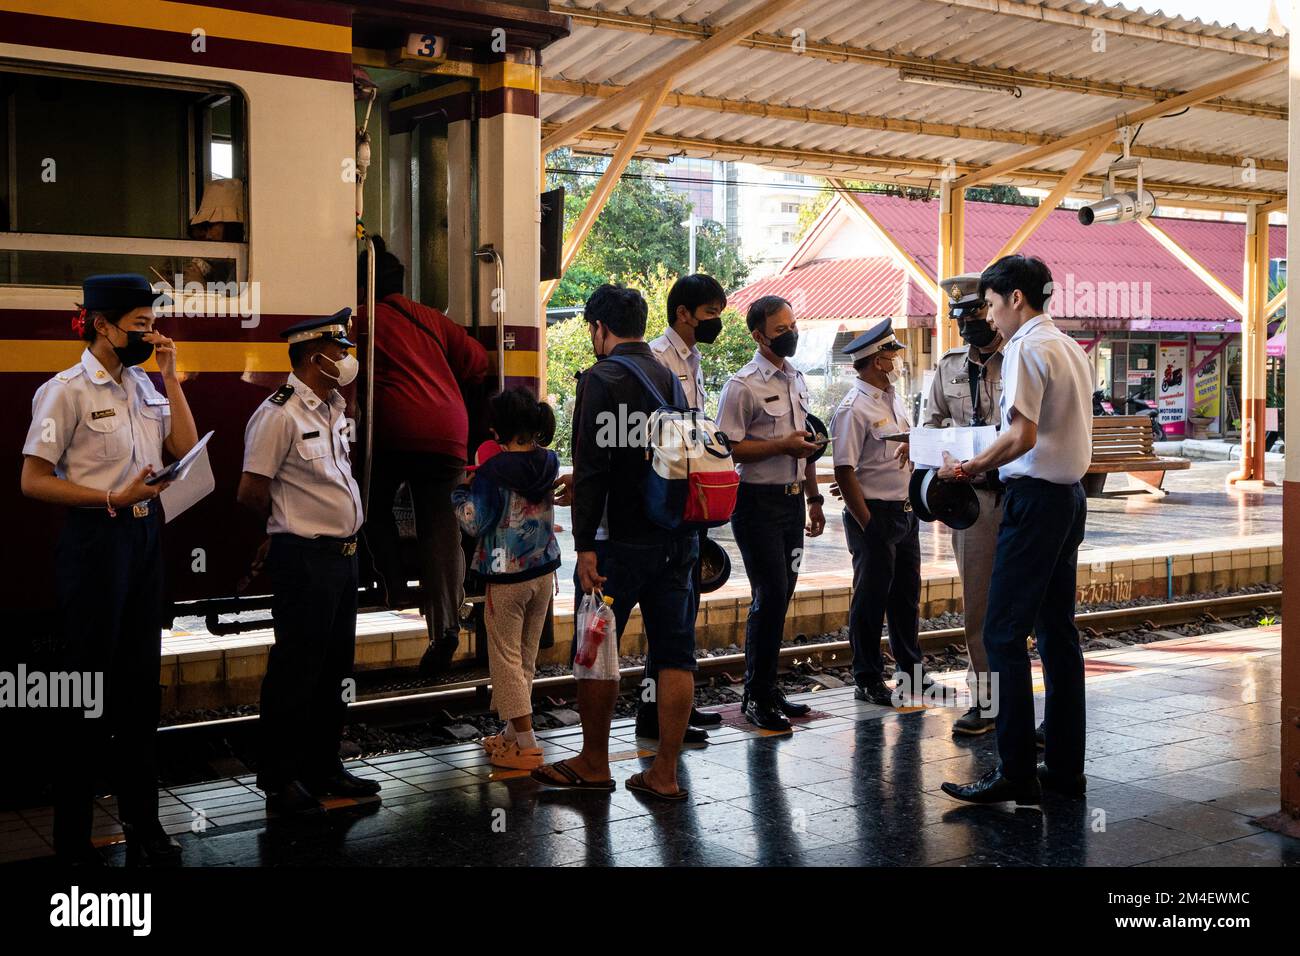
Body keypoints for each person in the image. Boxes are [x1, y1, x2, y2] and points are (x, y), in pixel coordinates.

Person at [21, 273, 198, 866]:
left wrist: (171, 379)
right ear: (101, 324)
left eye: (152, 325)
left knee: (138, 691)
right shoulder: (64, 392)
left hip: (144, 536)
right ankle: (73, 838)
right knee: (87, 695)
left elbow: (184, 445)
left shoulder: (145, 385)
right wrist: (107, 500)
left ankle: (143, 825)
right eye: (139, 326)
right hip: (96, 542)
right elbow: (33, 479)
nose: (149, 335)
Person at [938, 255, 1093, 805]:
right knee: (1056, 634)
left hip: (1032, 503)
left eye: (992, 304)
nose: (989, 316)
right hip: (1069, 500)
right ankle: (1065, 768)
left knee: (1002, 635)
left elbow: (1022, 436)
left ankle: (1016, 771)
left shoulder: (1026, 348)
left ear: (1016, 300)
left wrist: (971, 467)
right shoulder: (1070, 348)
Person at [532, 284, 697, 800]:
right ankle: (665, 773)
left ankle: (594, 762)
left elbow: (593, 466)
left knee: (596, 646)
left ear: (599, 329)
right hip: (673, 536)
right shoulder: (669, 378)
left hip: (614, 543)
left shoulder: (599, 379)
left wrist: (584, 547)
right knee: (675, 654)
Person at [238, 311, 380, 815]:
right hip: (304, 557)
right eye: (339, 351)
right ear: (311, 357)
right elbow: (252, 489)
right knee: (296, 670)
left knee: (334, 668)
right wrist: (283, 525)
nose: (346, 359)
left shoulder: (334, 409)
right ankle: (279, 780)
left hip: (342, 559)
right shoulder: (279, 415)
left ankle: (323, 765)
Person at [359, 236, 488, 678]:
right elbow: (478, 362)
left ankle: (393, 585)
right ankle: (445, 626)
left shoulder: (363, 319)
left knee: (370, 501)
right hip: (449, 432)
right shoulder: (430, 319)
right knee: (442, 530)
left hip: (395, 433)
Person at [716, 294, 825, 732]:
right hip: (756, 503)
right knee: (771, 594)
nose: (791, 334)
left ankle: (769, 686)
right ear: (758, 336)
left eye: (793, 325)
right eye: (781, 330)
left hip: (792, 499)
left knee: (784, 595)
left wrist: (814, 499)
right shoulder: (742, 385)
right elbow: (727, 448)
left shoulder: (796, 378)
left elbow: (807, 444)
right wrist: (781, 445)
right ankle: (755, 696)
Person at [830, 320, 946, 708]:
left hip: (905, 511)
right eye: (891, 353)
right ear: (877, 361)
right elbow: (844, 470)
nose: (896, 358)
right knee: (871, 599)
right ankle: (866, 677)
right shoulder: (853, 408)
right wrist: (868, 524)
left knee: (905, 598)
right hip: (874, 514)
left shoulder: (891, 399)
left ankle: (911, 674)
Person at [452, 388, 561, 771]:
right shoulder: (549, 460)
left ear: (500, 429)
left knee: (506, 658)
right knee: (525, 656)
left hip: (506, 575)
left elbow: (473, 522)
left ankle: (527, 745)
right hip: (543, 573)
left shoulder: (492, 473)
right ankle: (511, 736)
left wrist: (460, 493)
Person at [640, 272, 729, 741]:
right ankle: (655, 715)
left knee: (684, 607)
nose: (716, 322)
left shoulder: (691, 359)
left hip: (691, 497)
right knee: (669, 612)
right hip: (669, 498)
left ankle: (672, 710)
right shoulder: (658, 356)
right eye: (711, 313)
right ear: (683, 313)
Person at [925, 275, 1005, 736]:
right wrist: (942, 454)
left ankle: (1031, 710)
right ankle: (987, 703)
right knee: (978, 606)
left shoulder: (1018, 361)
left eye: (975, 314)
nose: (967, 325)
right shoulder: (950, 367)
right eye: (961, 318)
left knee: (1031, 608)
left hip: (1017, 495)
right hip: (972, 504)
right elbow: (930, 424)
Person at [183, 177, 244, 287]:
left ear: (230, 225)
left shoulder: (241, 266)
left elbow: (236, 303)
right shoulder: (219, 263)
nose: (208, 235)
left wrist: (202, 286)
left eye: (211, 226)